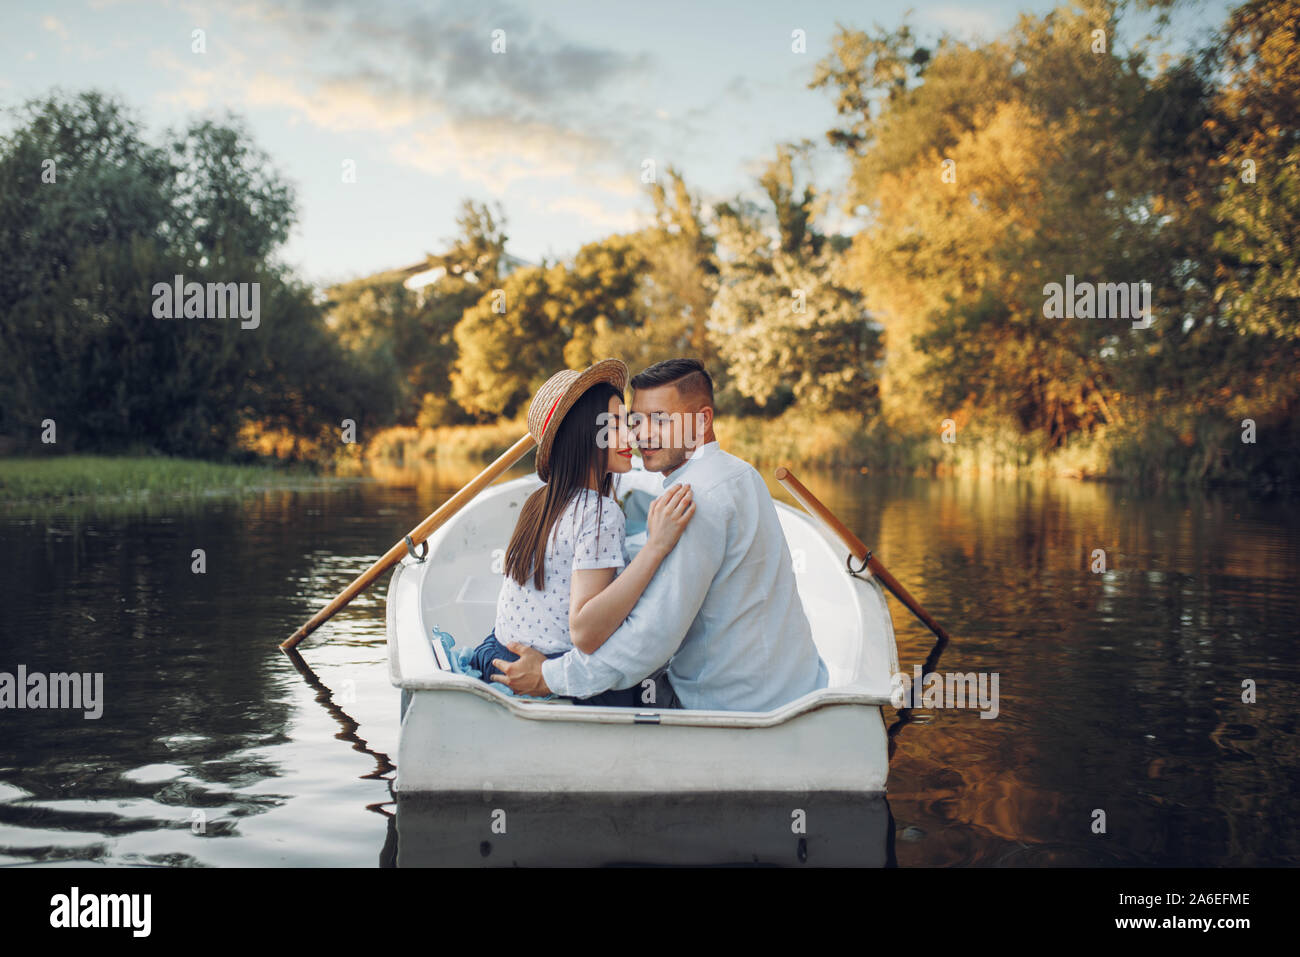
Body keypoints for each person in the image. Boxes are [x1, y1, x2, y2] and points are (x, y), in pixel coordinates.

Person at [491, 358, 830, 712]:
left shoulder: (691, 500)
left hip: (729, 705)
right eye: (635, 420)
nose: (640, 434)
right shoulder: (739, 473)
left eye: (660, 420)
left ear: (701, 422)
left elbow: (649, 639)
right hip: (799, 684)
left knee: (629, 677)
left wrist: (550, 677)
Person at [465, 358, 696, 706]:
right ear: (584, 435)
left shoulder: (539, 502)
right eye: (614, 424)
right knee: (660, 681)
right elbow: (586, 633)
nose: (631, 434)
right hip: (545, 675)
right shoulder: (600, 513)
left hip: (494, 656)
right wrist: (656, 546)